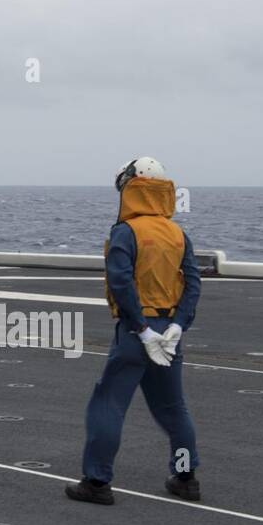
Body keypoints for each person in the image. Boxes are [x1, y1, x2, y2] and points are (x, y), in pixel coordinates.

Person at [66, 156, 203, 505]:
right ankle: (185, 477)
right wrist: (176, 325)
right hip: (169, 333)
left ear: (134, 185)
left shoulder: (126, 231)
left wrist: (142, 330)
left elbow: (122, 283)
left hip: (135, 332)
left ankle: (97, 482)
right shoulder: (177, 233)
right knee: (174, 409)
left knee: (108, 405)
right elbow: (193, 283)